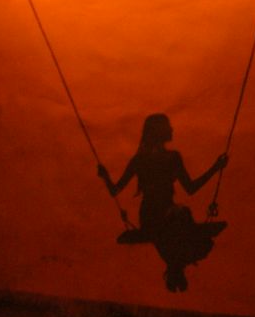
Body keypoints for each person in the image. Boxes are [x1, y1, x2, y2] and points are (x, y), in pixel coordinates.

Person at [98, 113, 228, 291]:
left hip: (150, 216)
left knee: (177, 223)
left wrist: (105, 176)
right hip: (163, 215)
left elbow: (115, 190)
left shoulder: (140, 160)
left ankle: (175, 267)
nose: (171, 129)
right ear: (159, 131)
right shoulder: (172, 158)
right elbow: (191, 188)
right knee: (181, 219)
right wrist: (215, 168)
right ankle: (176, 267)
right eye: (168, 126)